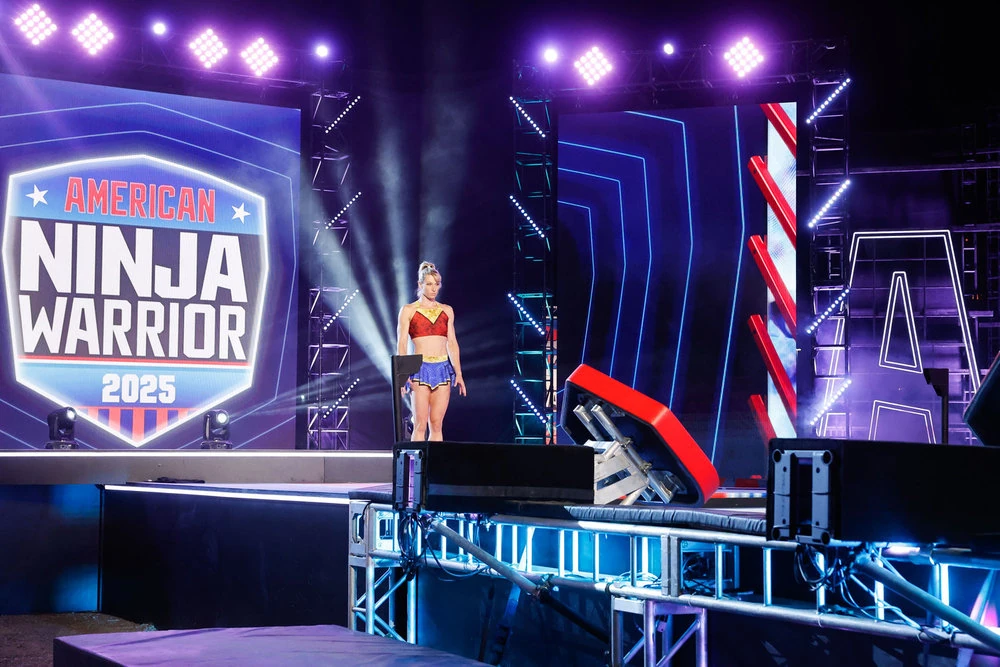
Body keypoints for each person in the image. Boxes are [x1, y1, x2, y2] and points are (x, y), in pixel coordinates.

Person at [397, 261, 466, 441]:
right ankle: (416, 461)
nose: (434, 288)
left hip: (442, 369)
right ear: (420, 285)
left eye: (437, 284)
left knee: (436, 424)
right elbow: (402, 344)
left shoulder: (447, 310)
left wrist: (458, 373)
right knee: (420, 424)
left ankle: (434, 460)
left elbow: (452, 343)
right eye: (429, 284)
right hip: (419, 369)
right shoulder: (408, 310)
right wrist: (402, 375)